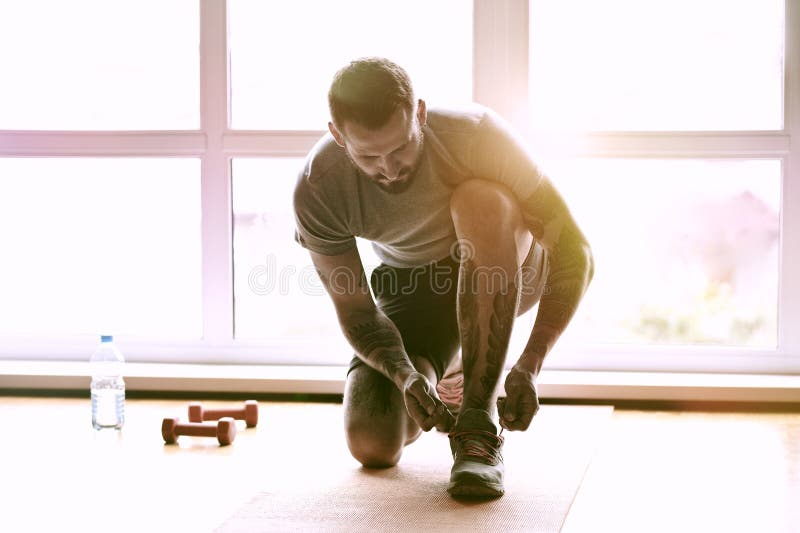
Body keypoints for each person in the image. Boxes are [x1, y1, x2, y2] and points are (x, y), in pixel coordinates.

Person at [293, 57, 593, 498]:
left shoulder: (477, 135)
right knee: (371, 441)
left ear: (419, 114)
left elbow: (573, 249)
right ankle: (450, 365)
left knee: (480, 200)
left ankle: (477, 421)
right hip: (412, 285)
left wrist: (529, 364)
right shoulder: (318, 187)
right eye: (369, 156)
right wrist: (404, 376)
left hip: (507, 267)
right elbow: (356, 312)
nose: (390, 169)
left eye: (401, 149)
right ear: (339, 136)